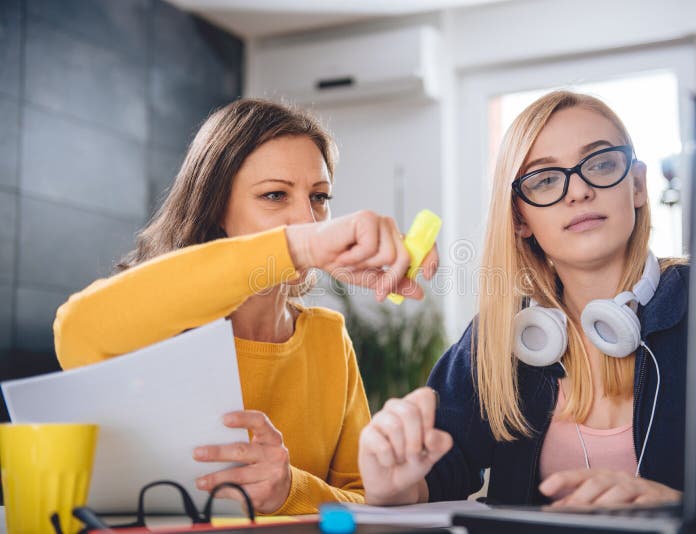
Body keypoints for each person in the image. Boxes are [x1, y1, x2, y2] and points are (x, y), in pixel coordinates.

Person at [53, 99, 438, 515]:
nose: (308, 218)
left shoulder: (328, 338)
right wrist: (301, 245)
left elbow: (366, 499)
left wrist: (291, 489)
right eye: (275, 195)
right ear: (216, 207)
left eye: (320, 197)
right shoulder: (158, 327)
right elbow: (76, 330)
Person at [358, 90, 688, 508]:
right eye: (545, 179)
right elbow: (440, 468)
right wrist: (393, 485)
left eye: (601, 164)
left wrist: (682, 506)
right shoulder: (499, 336)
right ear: (519, 218)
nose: (578, 191)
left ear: (637, 186)